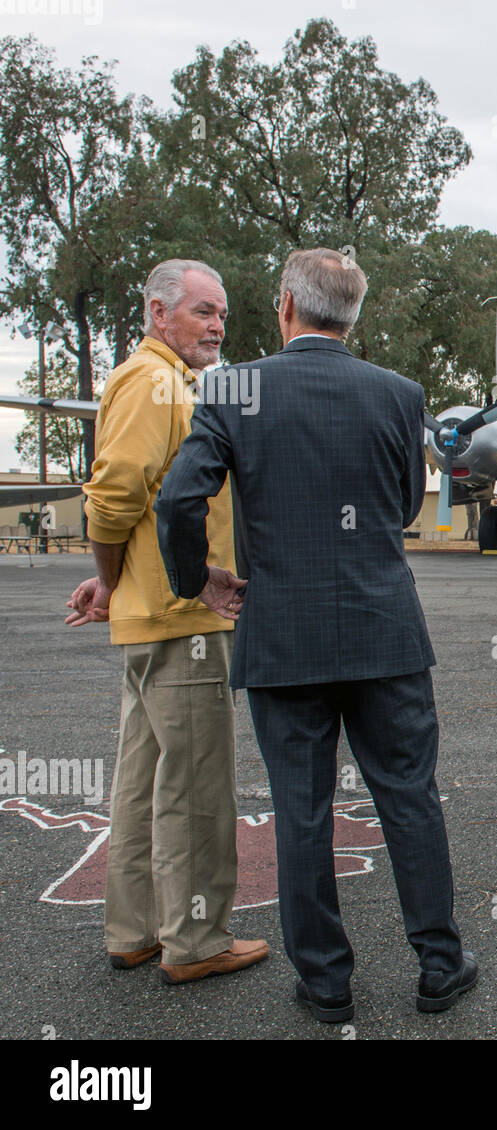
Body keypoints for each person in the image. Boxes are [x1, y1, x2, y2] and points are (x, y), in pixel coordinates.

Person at [154, 248, 475, 1022]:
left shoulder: (232, 387)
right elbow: (401, 503)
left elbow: (177, 501)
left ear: (286, 307)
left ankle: (326, 982)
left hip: (283, 635)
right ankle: (439, 962)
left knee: (301, 811)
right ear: (350, 314)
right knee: (409, 797)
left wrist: (196, 578)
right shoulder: (399, 394)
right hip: (384, 632)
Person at [69, 259, 268, 982]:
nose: (217, 326)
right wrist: (114, 576)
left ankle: (135, 930)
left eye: (221, 314)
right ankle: (195, 941)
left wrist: (110, 581)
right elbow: (114, 497)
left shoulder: (167, 381)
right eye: (201, 312)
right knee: (195, 790)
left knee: (144, 782)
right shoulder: (155, 384)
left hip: (153, 613)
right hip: (182, 618)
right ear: (158, 314)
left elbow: (134, 504)